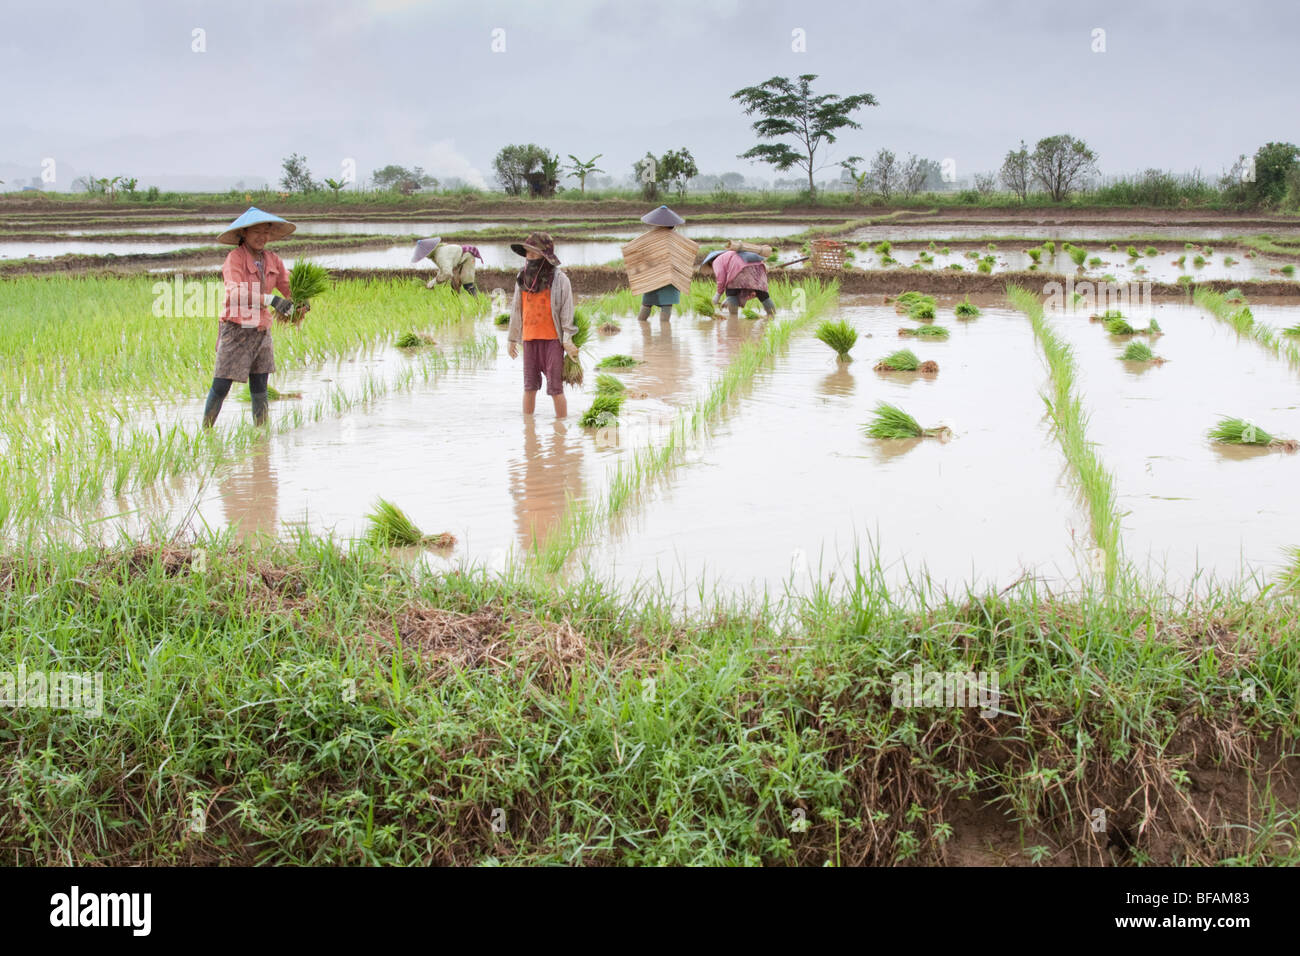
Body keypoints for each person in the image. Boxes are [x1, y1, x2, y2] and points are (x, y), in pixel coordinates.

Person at [203, 207, 305, 428]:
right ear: (244, 233)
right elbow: (235, 293)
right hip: (236, 328)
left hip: (261, 329)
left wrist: (301, 301)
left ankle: (261, 435)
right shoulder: (235, 259)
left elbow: (288, 289)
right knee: (222, 384)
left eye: (266, 232)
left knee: (260, 384)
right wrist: (271, 300)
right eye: (257, 232)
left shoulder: (273, 260)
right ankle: (206, 432)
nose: (262, 237)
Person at [505, 232, 578, 418]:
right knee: (529, 387)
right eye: (527, 253)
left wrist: (568, 340)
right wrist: (512, 339)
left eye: (534, 254)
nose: (530, 257)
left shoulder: (560, 280)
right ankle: (528, 430)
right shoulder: (522, 277)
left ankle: (561, 429)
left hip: (552, 341)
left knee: (555, 388)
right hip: (529, 340)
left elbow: (566, 311)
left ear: (545, 257)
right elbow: (516, 308)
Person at [636, 205, 686, 322]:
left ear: (657, 224)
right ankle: (665, 335)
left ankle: (643, 329)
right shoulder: (678, 240)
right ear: (673, 225)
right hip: (670, 278)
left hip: (653, 276)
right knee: (666, 305)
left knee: (646, 304)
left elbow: (642, 258)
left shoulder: (649, 240)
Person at [700, 248, 776, 318]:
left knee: (731, 291)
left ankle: (733, 319)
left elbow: (721, 278)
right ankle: (772, 316)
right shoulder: (732, 254)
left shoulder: (717, 261)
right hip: (759, 268)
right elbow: (745, 288)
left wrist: (718, 295)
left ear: (711, 262)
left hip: (740, 270)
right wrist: (728, 300)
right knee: (762, 294)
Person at [410, 237, 481, 294]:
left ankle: (477, 303)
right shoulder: (436, 253)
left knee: (467, 283)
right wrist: (433, 282)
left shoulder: (440, 255)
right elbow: (443, 269)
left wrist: (434, 282)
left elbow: (447, 273)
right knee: (454, 284)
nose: (425, 256)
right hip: (456, 261)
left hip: (467, 258)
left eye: (425, 254)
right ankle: (456, 304)